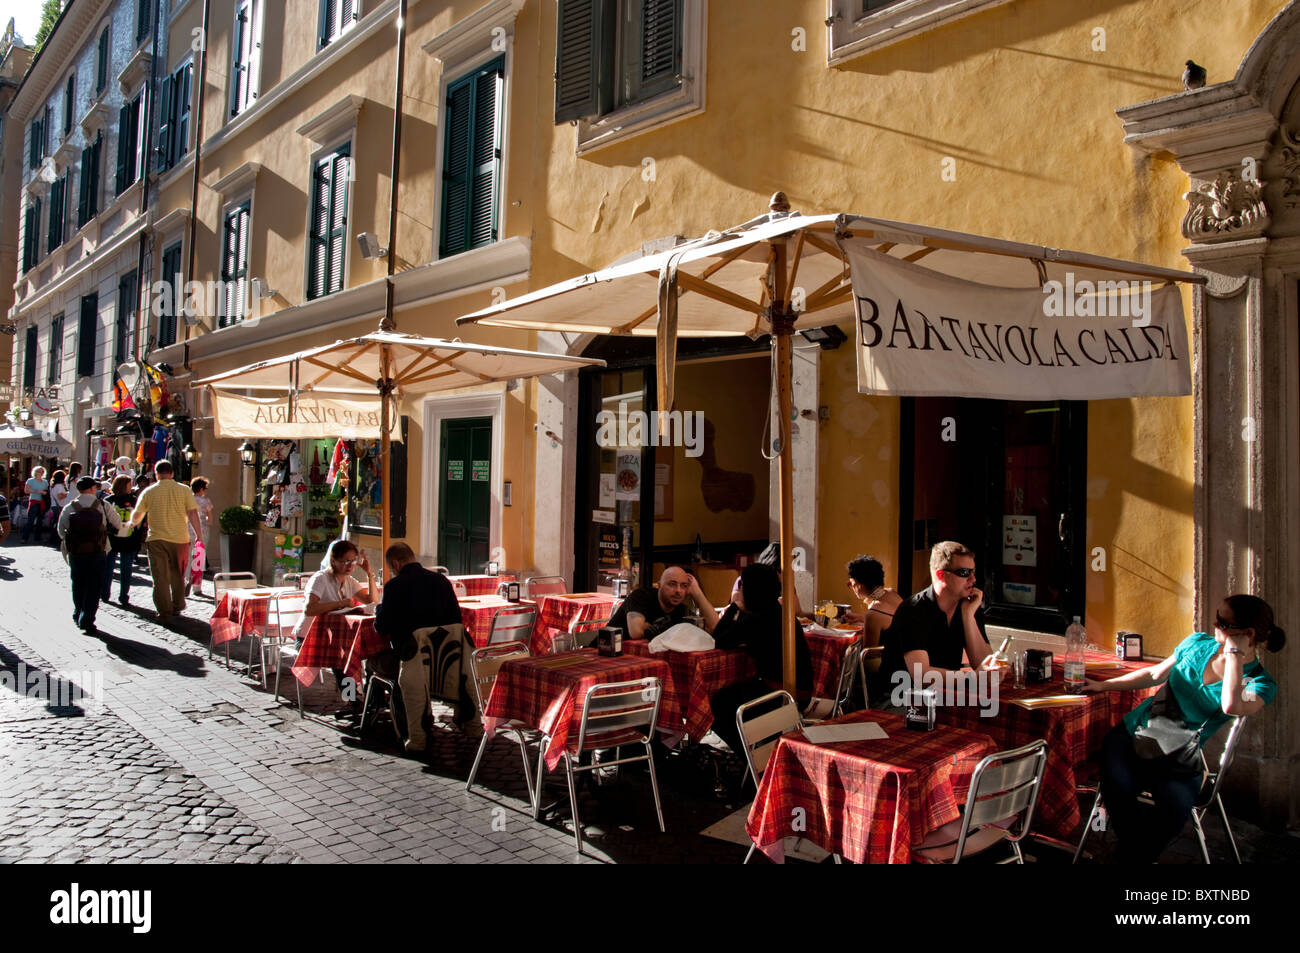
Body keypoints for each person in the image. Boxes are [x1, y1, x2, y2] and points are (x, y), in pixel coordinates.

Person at [1086, 594, 1283, 863]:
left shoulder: (1259, 683)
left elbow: (1231, 705)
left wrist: (1235, 654)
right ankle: (1133, 855)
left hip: (1178, 757)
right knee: (1119, 792)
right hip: (1133, 735)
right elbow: (1155, 674)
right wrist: (1103, 685)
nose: (1214, 624)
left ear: (1248, 633)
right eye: (1216, 616)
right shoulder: (1197, 644)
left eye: (1223, 622)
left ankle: (1129, 856)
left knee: (1173, 813)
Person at [868, 540, 998, 709]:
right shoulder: (913, 609)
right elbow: (921, 675)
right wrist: (971, 678)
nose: (973, 579)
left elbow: (984, 663)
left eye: (973, 572)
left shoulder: (968, 605)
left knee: (991, 714)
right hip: (899, 698)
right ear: (940, 575)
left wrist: (967, 616)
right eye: (965, 572)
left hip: (944, 696)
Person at [708, 563, 814, 756]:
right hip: (802, 692)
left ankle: (749, 756)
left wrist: (734, 607)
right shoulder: (781, 613)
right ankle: (755, 748)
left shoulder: (756, 620)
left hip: (781, 694)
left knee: (715, 705)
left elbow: (718, 640)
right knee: (735, 693)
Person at [372, 542, 462, 753]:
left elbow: (382, 627)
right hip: (443, 660)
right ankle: (424, 713)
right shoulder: (441, 580)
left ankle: (379, 716)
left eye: (392, 568)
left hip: (409, 660)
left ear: (395, 563)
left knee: (372, 661)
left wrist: (379, 610)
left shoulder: (394, 586)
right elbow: (456, 620)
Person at [128, 461, 202, 623]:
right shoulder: (184, 490)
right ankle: (178, 605)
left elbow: (138, 514)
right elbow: (193, 513)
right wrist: (199, 535)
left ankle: (164, 610)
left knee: (160, 577)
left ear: (156, 474)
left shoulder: (149, 491)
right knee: (178, 574)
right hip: (180, 539)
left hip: (156, 539)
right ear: (172, 473)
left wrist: (129, 526)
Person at [58, 476, 123, 634]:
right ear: (93, 488)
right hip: (97, 551)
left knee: (78, 584)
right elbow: (118, 524)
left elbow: (61, 531)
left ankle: (78, 611)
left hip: (76, 552)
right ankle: (87, 619)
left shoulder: (70, 507)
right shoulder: (102, 505)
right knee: (94, 586)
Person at [292, 538, 376, 641]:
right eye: (345, 561)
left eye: (353, 561)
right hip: (308, 637)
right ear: (333, 561)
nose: (350, 565)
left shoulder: (349, 580)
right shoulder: (320, 578)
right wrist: (341, 604)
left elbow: (371, 601)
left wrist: (369, 574)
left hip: (332, 636)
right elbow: (309, 609)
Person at [610, 566, 719, 638]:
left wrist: (698, 593)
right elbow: (636, 632)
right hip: (604, 653)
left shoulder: (681, 609)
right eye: (672, 584)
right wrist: (675, 629)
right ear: (659, 585)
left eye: (684, 586)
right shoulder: (641, 596)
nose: (678, 591)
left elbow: (714, 628)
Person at [841, 554, 903, 648]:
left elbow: (869, 657)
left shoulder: (873, 614)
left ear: (859, 585)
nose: (852, 588)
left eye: (852, 584)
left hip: (892, 660)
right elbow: (889, 622)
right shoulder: (892, 593)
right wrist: (861, 617)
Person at [103, 475, 145, 605]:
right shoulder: (131, 500)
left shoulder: (109, 500)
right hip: (122, 538)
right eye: (129, 484)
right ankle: (117, 595)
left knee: (118, 568)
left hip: (120, 538)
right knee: (119, 569)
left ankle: (111, 595)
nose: (131, 486)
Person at [187, 477, 214, 597]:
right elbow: (210, 520)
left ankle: (185, 582)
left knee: (187, 558)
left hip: (187, 531)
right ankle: (196, 587)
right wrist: (205, 520)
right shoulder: (205, 501)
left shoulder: (187, 500)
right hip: (202, 532)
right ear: (201, 489)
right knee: (198, 559)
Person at [21, 466, 50, 544]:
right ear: (35, 472)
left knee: (40, 521)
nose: (40, 473)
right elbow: (26, 491)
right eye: (39, 471)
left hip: (42, 503)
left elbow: (47, 492)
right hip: (34, 502)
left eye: (41, 472)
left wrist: (44, 493)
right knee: (30, 521)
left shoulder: (45, 482)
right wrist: (37, 491)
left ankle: (38, 538)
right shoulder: (30, 481)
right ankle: (24, 538)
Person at [47, 469, 70, 547]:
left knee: (55, 522)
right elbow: (60, 496)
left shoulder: (52, 486)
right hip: (58, 506)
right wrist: (68, 493)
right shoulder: (59, 486)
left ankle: (52, 538)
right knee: (58, 523)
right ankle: (55, 538)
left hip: (54, 505)